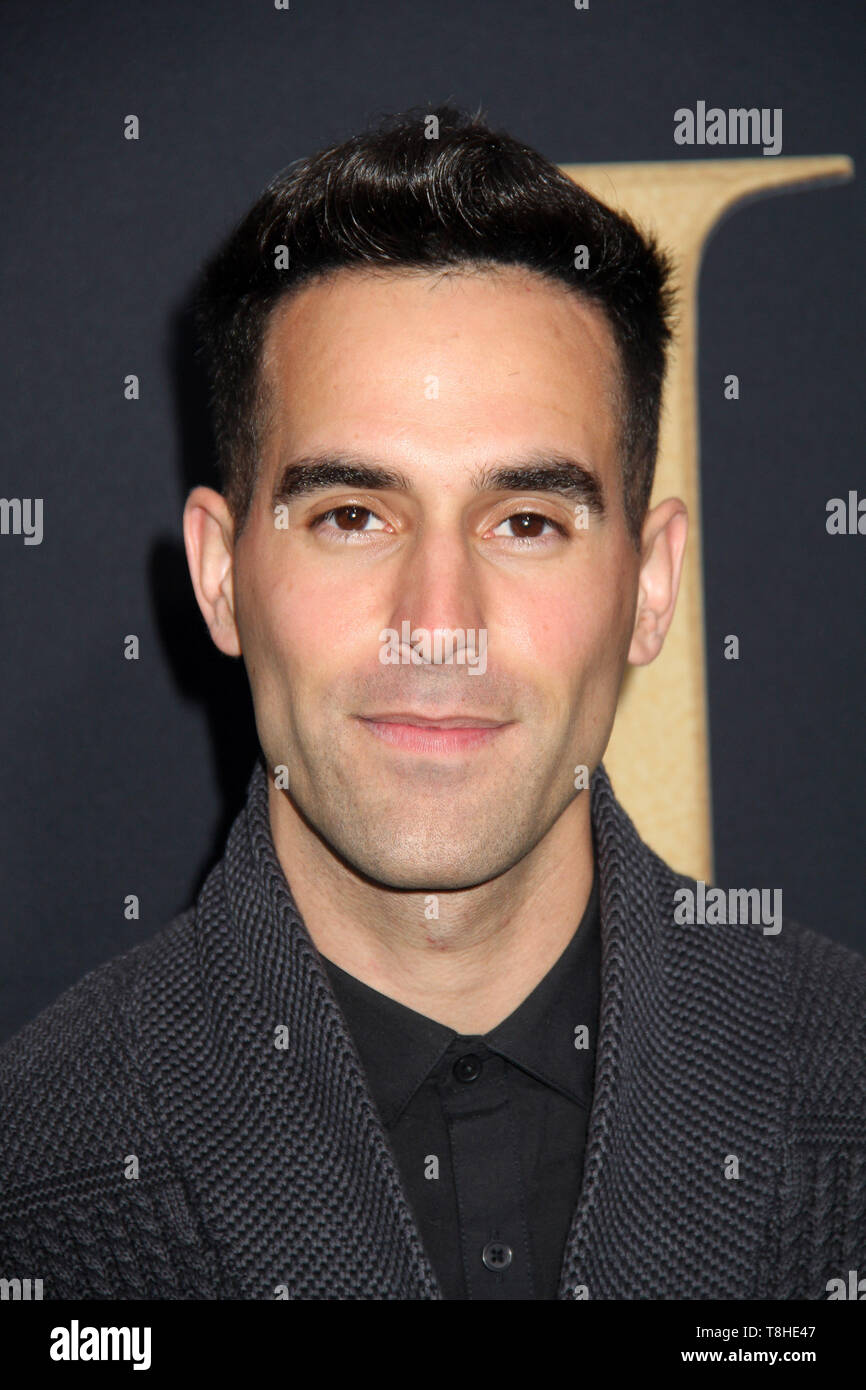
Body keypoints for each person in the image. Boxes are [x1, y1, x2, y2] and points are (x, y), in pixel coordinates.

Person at [1, 105, 864, 1301]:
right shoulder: (32, 1179)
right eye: (352, 515)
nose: (438, 620)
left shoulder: (845, 1095)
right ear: (220, 576)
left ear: (651, 585)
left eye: (525, 522)